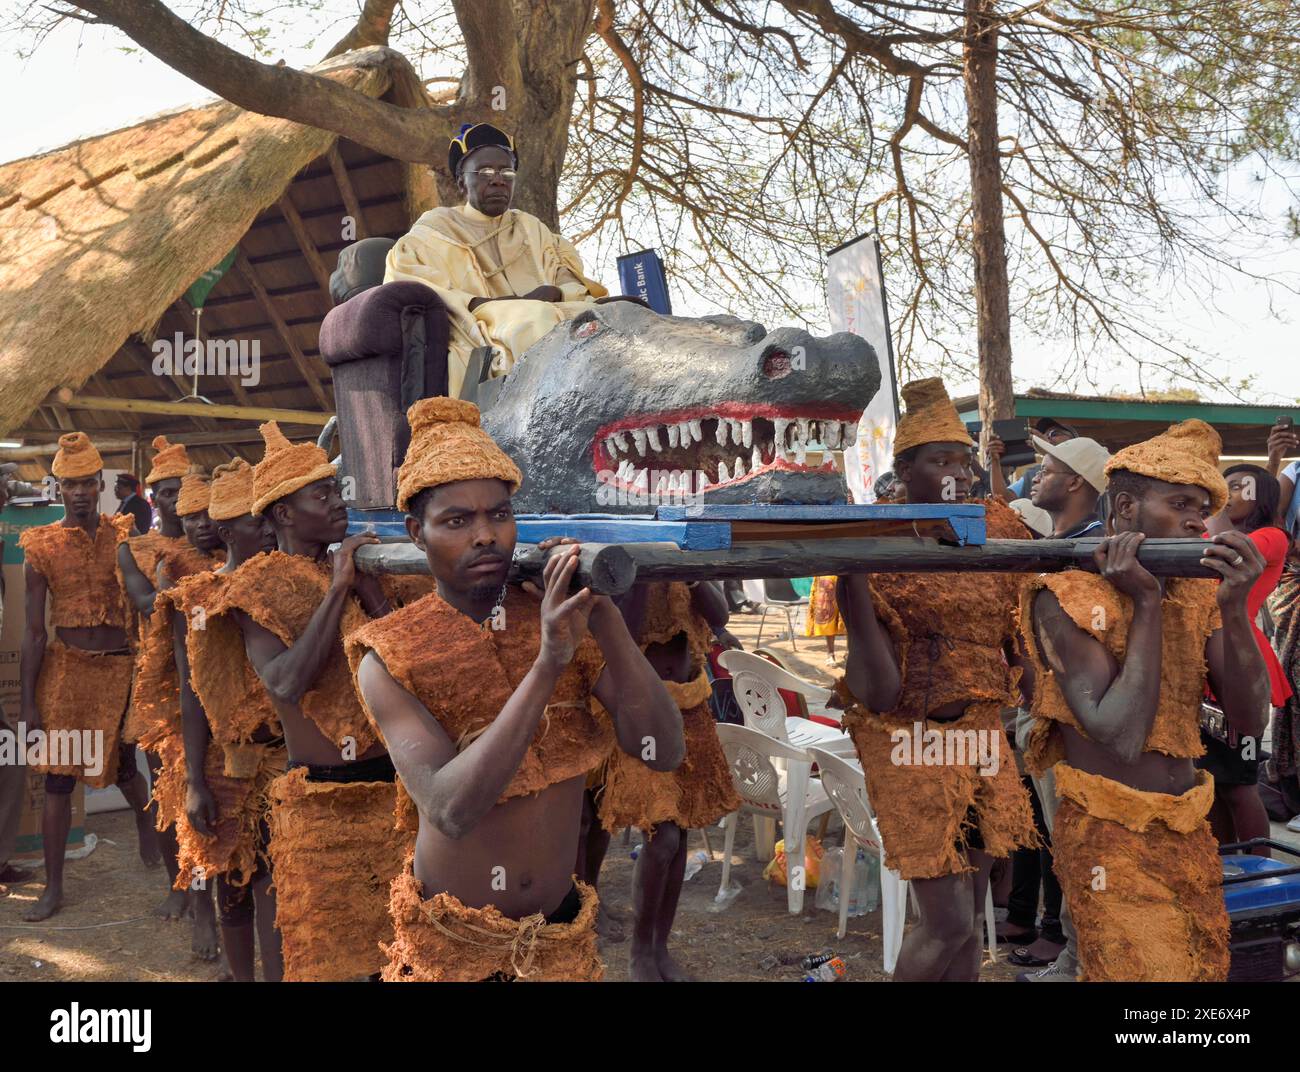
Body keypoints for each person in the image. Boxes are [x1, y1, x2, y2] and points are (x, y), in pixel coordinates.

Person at [346, 397, 684, 982]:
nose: (485, 536)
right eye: (456, 521)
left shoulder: (557, 618)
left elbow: (661, 747)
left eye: (499, 515)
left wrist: (603, 620)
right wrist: (549, 664)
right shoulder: (388, 652)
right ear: (415, 533)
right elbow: (451, 809)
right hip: (455, 942)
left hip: (561, 933)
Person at [1020, 419, 1267, 981]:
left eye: (1202, 507)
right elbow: (1121, 734)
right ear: (1126, 509)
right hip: (1108, 830)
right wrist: (1148, 606)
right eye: (1180, 501)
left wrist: (1235, 609)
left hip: (1186, 826)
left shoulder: (1197, 591)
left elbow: (1250, 724)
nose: (1196, 520)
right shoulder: (1065, 592)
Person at [837, 378, 1038, 981]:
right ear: (904, 471)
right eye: (938, 460)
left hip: (982, 735)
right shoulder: (877, 536)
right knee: (947, 920)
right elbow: (876, 689)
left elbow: (1020, 627)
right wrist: (855, 584)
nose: (955, 471)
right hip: (910, 741)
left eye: (961, 459)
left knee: (971, 914)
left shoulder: (999, 526)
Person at [217, 422, 408, 981]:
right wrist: (338, 591)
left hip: (392, 781)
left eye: (336, 490)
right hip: (318, 791)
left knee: (388, 950)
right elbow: (284, 683)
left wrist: (370, 597)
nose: (337, 502)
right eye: (320, 494)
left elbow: (417, 663)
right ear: (282, 515)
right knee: (316, 951)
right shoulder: (256, 586)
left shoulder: (360, 566)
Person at [385, 123, 641, 396]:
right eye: (484, 172)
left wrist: (556, 291)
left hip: (551, 310)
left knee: (624, 312)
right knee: (533, 318)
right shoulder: (435, 229)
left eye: (506, 171)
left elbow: (565, 278)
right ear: (461, 181)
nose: (498, 180)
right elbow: (412, 285)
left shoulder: (531, 227)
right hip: (480, 322)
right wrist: (514, 302)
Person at [17, 433, 152, 921]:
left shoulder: (125, 536)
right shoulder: (41, 545)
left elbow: (144, 607)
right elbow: (34, 632)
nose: (79, 492)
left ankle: (147, 833)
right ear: (57, 489)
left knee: (123, 766)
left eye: (87, 484)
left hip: (121, 669)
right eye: (69, 484)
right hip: (67, 673)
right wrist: (29, 705)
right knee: (58, 778)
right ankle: (53, 888)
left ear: (100, 485)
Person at [166, 458, 285, 981]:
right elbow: (192, 696)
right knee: (234, 881)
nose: (264, 528)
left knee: (278, 884)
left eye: (266, 517)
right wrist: (194, 780)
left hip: (285, 758)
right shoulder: (195, 598)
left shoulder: (286, 584)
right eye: (251, 520)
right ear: (224, 528)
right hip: (224, 759)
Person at [594, 580, 741, 981]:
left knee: (681, 836)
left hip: (692, 707)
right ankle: (640, 954)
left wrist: (691, 575)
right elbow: (621, 630)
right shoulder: (627, 570)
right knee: (663, 840)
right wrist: (644, 573)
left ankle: (660, 948)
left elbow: (720, 615)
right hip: (644, 710)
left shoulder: (686, 567)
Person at [131, 471, 225, 960]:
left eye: (208, 513)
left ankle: (222, 909)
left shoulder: (238, 564)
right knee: (184, 806)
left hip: (228, 703)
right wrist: (168, 590)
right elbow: (149, 609)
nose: (201, 524)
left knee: (224, 813)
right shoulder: (163, 564)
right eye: (190, 515)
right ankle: (200, 908)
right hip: (177, 699)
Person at [117, 436, 196, 909]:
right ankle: (177, 885)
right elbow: (144, 603)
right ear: (153, 496)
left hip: (210, 674)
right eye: (165, 490)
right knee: (165, 784)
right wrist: (170, 586)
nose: (174, 496)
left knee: (206, 785)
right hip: (161, 677)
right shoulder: (135, 549)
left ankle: (211, 881)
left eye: (181, 487)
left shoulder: (211, 536)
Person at [1199, 464, 1292, 852]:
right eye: (1224, 486)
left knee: (1241, 783)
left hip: (1240, 663)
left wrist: (1212, 497)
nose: (1228, 493)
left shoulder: (1273, 537)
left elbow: (1230, 549)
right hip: (1202, 661)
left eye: (1237, 487)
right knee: (1212, 782)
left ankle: (1260, 873)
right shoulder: (1205, 531)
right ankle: (1224, 867)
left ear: (1263, 496)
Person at [1027, 435, 1109, 538]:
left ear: (1074, 482)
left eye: (1044, 471)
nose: (1035, 479)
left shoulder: (1098, 547)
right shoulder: (1049, 542)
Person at [805, 575, 846, 667]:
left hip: (847, 570)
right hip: (827, 573)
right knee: (827, 614)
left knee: (850, 614)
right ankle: (830, 654)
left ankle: (850, 653)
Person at [114, 473, 152, 537]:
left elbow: (142, 531)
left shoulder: (141, 505)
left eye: (118, 487)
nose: (115, 490)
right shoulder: (124, 503)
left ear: (128, 488)